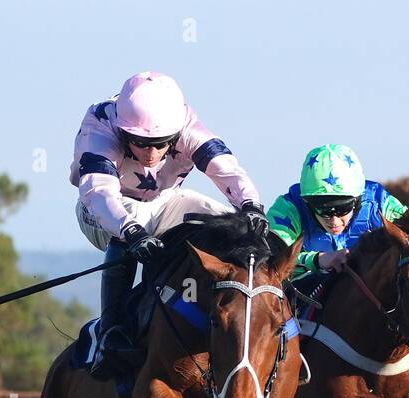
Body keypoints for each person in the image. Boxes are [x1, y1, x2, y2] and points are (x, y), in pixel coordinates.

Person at [70, 71, 268, 379]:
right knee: (133, 217)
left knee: (237, 228)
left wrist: (251, 206)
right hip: (99, 210)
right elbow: (100, 192)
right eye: (139, 143)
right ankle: (111, 333)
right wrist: (130, 231)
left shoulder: (186, 124)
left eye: (160, 144)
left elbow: (226, 169)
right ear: (123, 132)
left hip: (165, 202)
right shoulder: (100, 127)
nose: (150, 154)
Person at [267, 144, 408, 295]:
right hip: (302, 297)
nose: (334, 221)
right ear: (307, 202)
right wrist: (318, 260)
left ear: (358, 200)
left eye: (342, 210)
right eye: (323, 210)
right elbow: (268, 263)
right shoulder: (288, 208)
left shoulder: (379, 201)